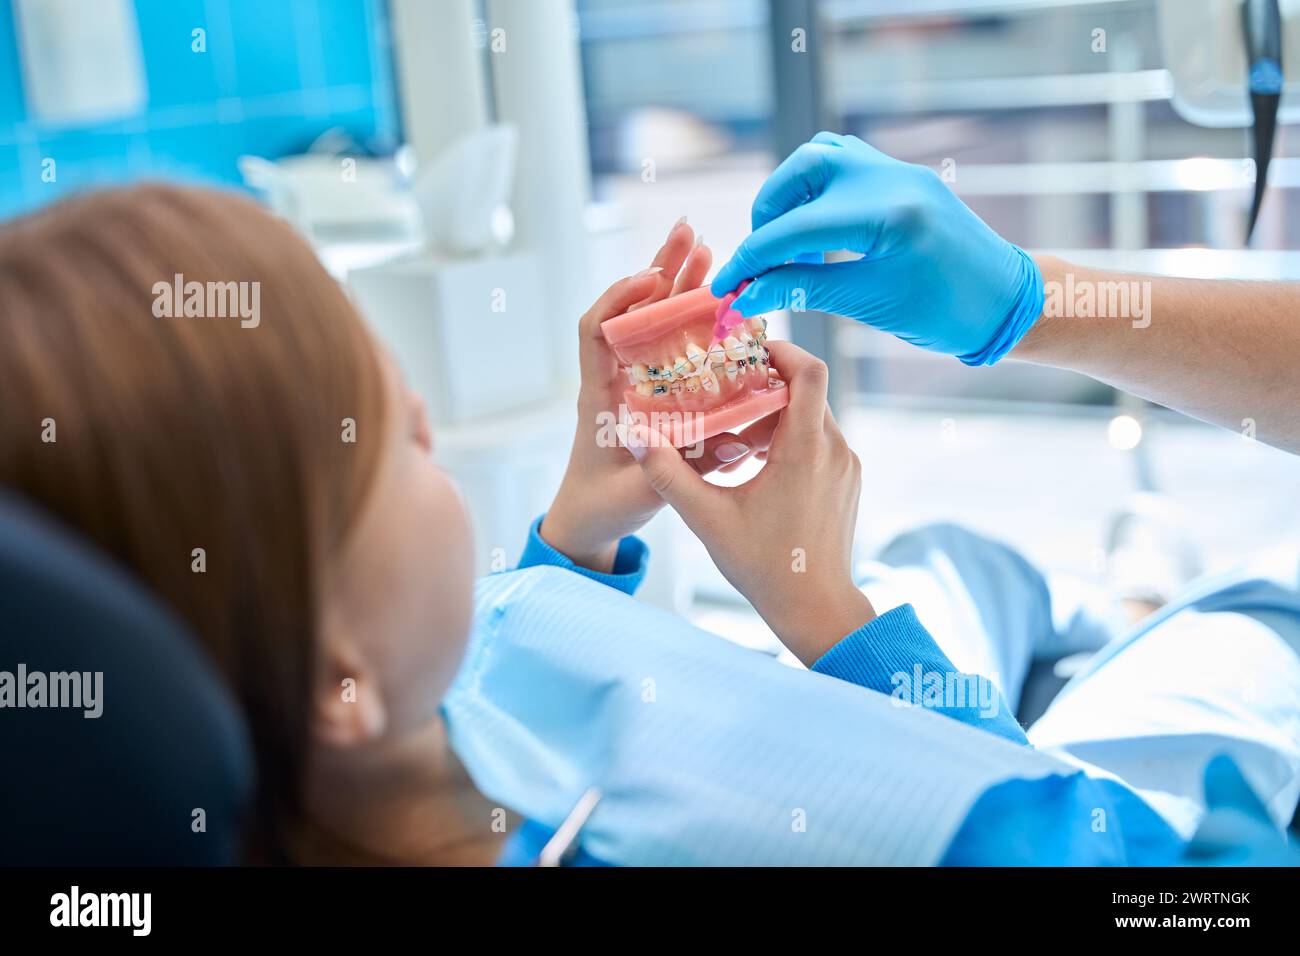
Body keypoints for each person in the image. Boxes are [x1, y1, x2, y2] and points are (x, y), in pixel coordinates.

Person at [623, 131, 1300, 860]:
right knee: (1272, 600)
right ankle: (1140, 602)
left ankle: (1128, 604)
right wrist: (824, 615)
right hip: (1056, 827)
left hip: (840, 768)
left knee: (948, 554)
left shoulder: (522, 767)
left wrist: (573, 543)